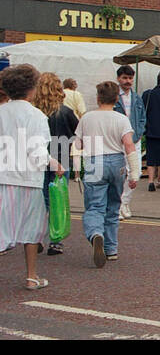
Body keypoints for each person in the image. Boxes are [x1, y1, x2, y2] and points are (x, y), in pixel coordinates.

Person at [0, 65, 62, 289]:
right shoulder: (36, 116)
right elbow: (37, 151)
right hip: (28, 179)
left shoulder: (1, 111)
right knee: (31, 230)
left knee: (2, 228)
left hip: (2, 178)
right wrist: (54, 163)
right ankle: (31, 276)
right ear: (32, 89)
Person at [76, 81, 141, 267]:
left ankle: (96, 234)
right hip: (117, 162)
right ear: (116, 99)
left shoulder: (87, 118)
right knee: (113, 206)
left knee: (95, 206)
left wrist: (75, 167)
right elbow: (129, 145)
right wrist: (134, 173)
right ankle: (111, 249)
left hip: (95, 161)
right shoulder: (121, 119)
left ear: (97, 98)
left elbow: (78, 145)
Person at [31, 72, 76, 255]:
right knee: (57, 201)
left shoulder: (34, 113)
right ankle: (55, 241)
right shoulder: (65, 112)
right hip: (61, 159)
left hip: (38, 161)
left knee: (40, 202)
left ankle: (37, 237)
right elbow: (76, 132)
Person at [112, 65, 145, 219]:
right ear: (118, 78)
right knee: (121, 173)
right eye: (124, 78)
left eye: (130, 78)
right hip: (118, 142)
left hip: (134, 140)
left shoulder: (137, 97)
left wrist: (138, 133)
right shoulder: (113, 97)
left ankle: (124, 202)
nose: (128, 81)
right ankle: (118, 205)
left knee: (135, 173)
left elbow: (143, 118)